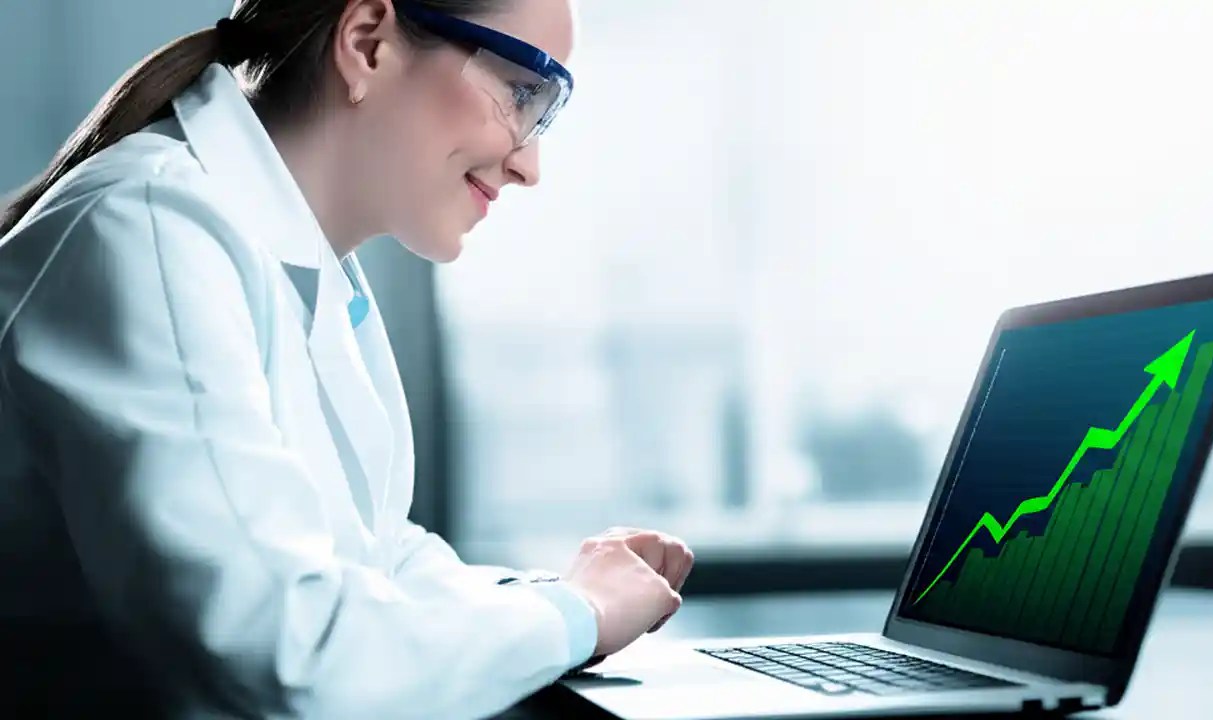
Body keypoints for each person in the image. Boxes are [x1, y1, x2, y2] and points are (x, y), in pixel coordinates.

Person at [0, 0, 693, 717]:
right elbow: (288, 654)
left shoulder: (302, 266)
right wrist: (577, 615)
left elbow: (374, 561)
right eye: (522, 92)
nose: (528, 164)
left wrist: (566, 599)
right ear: (367, 43)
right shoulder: (148, 231)